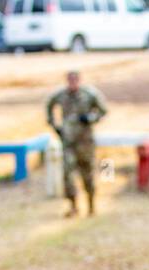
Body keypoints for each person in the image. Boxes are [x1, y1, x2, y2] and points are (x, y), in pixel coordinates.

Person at [46, 70, 107, 217]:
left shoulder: (89, 94)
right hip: (68, 142)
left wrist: (91, 118)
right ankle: (73, 206)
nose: (72, 82)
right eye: (70, 80)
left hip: (85, 142)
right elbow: (49, 106)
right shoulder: (61, 95)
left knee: (88, 174)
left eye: (75, 79)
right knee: (67, 175)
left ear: (79, 80)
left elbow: (103, 111)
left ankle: (91, 205)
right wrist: (55, 125)